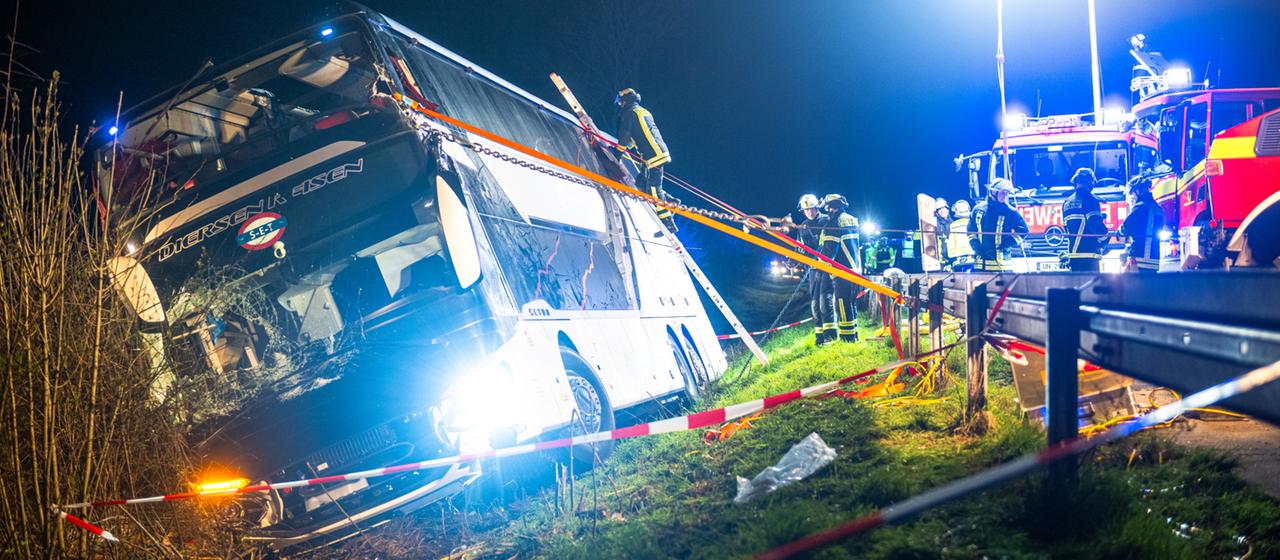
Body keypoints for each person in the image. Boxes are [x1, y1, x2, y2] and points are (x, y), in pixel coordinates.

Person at [614, 88, 676, 232]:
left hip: (653, 155)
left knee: (653, 188)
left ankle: (667, 222)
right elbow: (639, 135)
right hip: (656, 153)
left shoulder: (629, 114)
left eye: (621, 102)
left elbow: (624, 138)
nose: (620, 105)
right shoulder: (641, 111)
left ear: (625, 100)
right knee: (642, 182)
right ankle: (671, 201)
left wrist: (616, 155)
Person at [791, 194, 835, 345]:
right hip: (813, 269)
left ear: (817, 207)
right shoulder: (802, 226)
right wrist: (794, 260)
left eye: (811, 208)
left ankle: (830, 335)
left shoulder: (826, 221)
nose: (809, 212)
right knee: (815, 303)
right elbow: (799, 247)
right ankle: (820, 337)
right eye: (806, 210)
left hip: (826, 267)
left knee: (825, 300)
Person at [821, 194, 861, 343]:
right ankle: (855, 336)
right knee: (851, 302)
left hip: (842, 271)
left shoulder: (834, 222)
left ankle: (847, 339)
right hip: (855, 269)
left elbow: (830, 250)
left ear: (831, 207)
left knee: (842, 304)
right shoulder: (851, 219)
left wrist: (819, 262)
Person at [968, 179, 1028, 272]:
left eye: (1007, 193)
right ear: (993, 192)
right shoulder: (978, 210)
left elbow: (1023, 231)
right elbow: (971, 232)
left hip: (1002, 267)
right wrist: (976, 247)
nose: (1005, 196)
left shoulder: (1010, 212)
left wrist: (1007, 244)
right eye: (1003, 193)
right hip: (981, 265)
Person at [1060, 168, 1110, 272]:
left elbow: (1066, 228)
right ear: (1090, 183)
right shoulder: (1091, 200)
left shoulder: (1066, 203)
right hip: (1089, 255)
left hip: (1073, 256)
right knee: (1091, 287)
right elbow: (1095, 225)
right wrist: (1105, 240)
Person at [1119, 176, 1166, 273]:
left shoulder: (1140, 207)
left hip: (1139, 258)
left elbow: (1126, 228)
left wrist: (1118, 232)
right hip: (1154, 260)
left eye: (1133, 194)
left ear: (1138, 191)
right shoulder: (1158, 208)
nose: (1133, 197)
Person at [947, 199, 974, 271]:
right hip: (972, 256)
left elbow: (950, 244)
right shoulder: (972, 224)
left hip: (958, 259)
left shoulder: (953, 225)